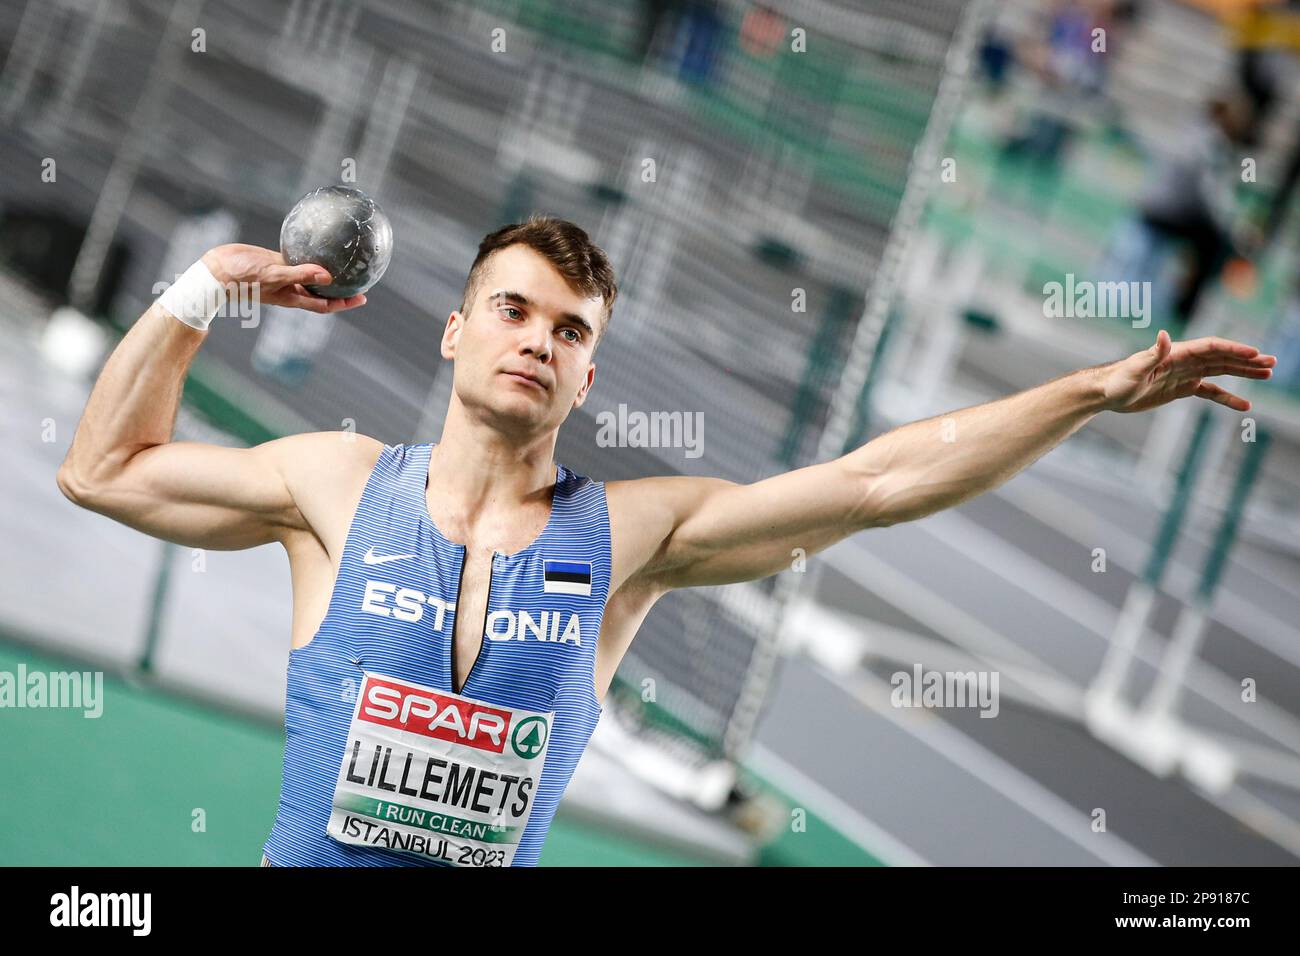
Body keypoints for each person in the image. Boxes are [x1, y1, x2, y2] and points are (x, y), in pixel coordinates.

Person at [56, 215, 1276, 867]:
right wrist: (204, 291)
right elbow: (102, 467)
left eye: (569, 329)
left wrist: (1084, 394)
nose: (537, 339)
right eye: (513, 310)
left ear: (588, 373)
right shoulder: (336, 482)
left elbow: (876, 481)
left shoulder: (631, 534)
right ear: (453, 333)